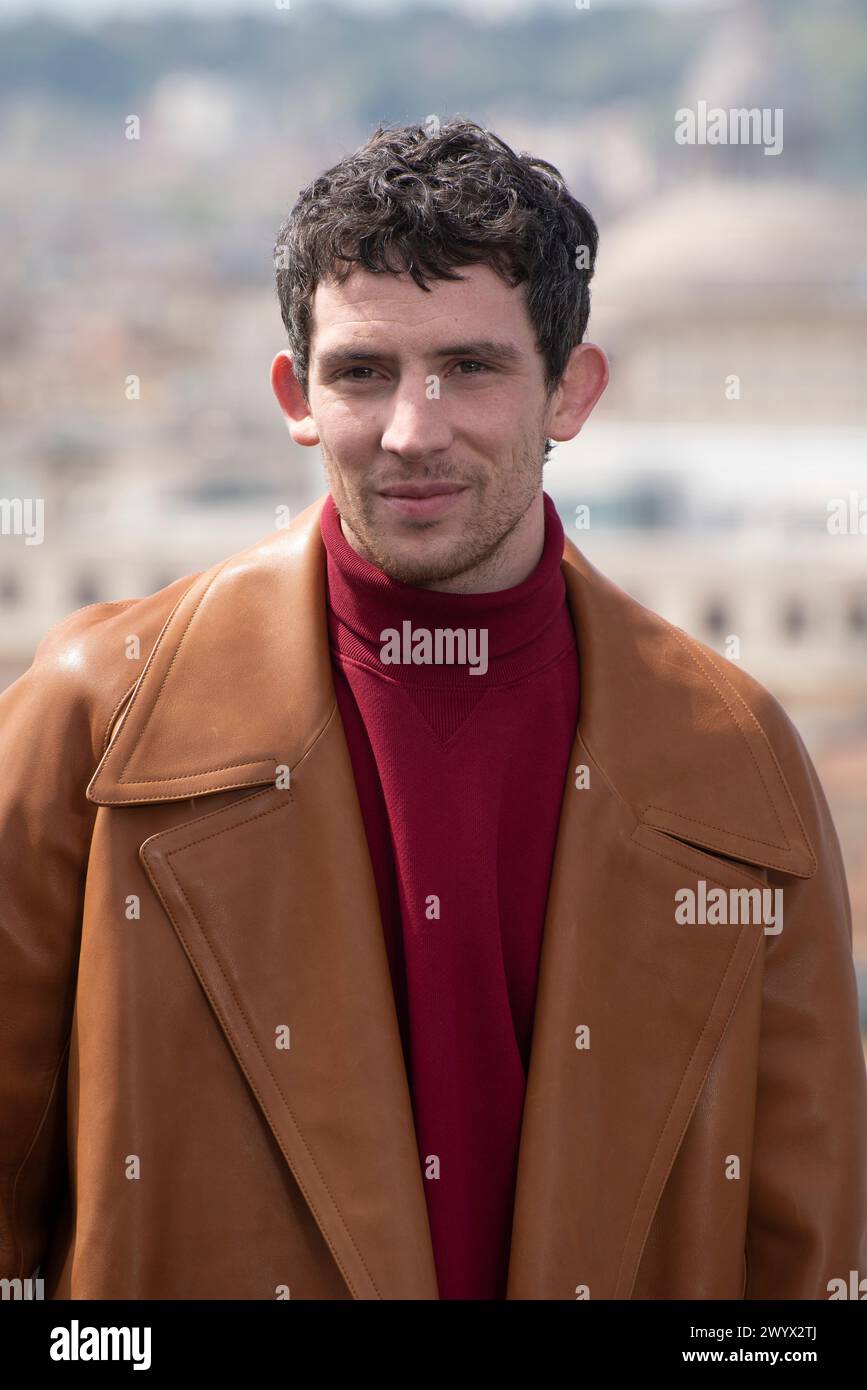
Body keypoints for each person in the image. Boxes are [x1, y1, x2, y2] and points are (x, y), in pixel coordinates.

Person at [1, 119, 864, 1301]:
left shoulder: (736, 758)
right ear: (296, 395)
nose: (414, 431)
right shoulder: (95, 721)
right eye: (363, 371)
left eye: (472, 367)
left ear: (572, 391)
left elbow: (806, 1255)